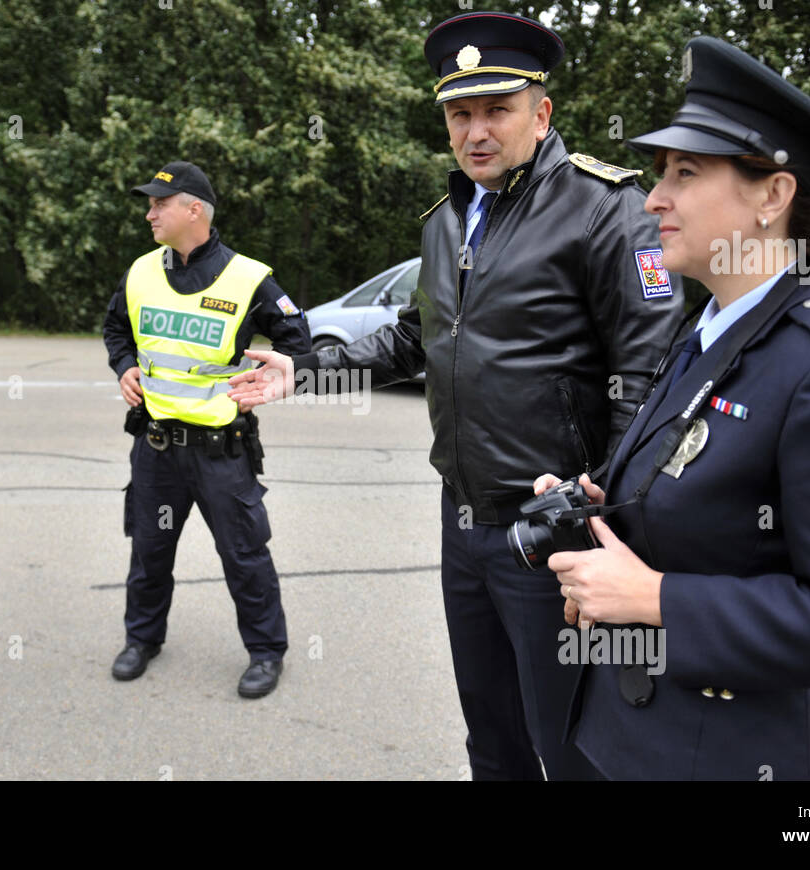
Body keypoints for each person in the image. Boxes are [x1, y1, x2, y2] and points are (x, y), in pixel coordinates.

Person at [228, 12, 683, 778]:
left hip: (558, 528)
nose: (476, 131)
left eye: (496, 110)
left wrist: (609, 516)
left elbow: (649, 377)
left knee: (573, 741)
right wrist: (308, 370)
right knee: (491, 736)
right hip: (465, 523)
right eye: (459, 113)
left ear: (540, 113)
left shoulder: (608, 209)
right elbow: (414, 340)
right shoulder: (446, 222)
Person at [532, 36, 810, 779]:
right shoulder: (708, 331)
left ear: (772, 196)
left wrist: (658, 599)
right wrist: (601, 508)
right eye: (660, 173)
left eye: (685, 173)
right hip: (617, 738)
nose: (655, 198)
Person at [102, 161, 311, 698]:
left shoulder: (249, 278)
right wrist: (123, 364)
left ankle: (266, 653)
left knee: (244, 556)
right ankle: (141, 639)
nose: (149, 213)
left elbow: (298, 344)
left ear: (193, 210)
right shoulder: (141, 271)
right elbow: (115, 329)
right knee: (149, 552)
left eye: (158, 205)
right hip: (155, 447)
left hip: (222, 452)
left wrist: (269, 376)